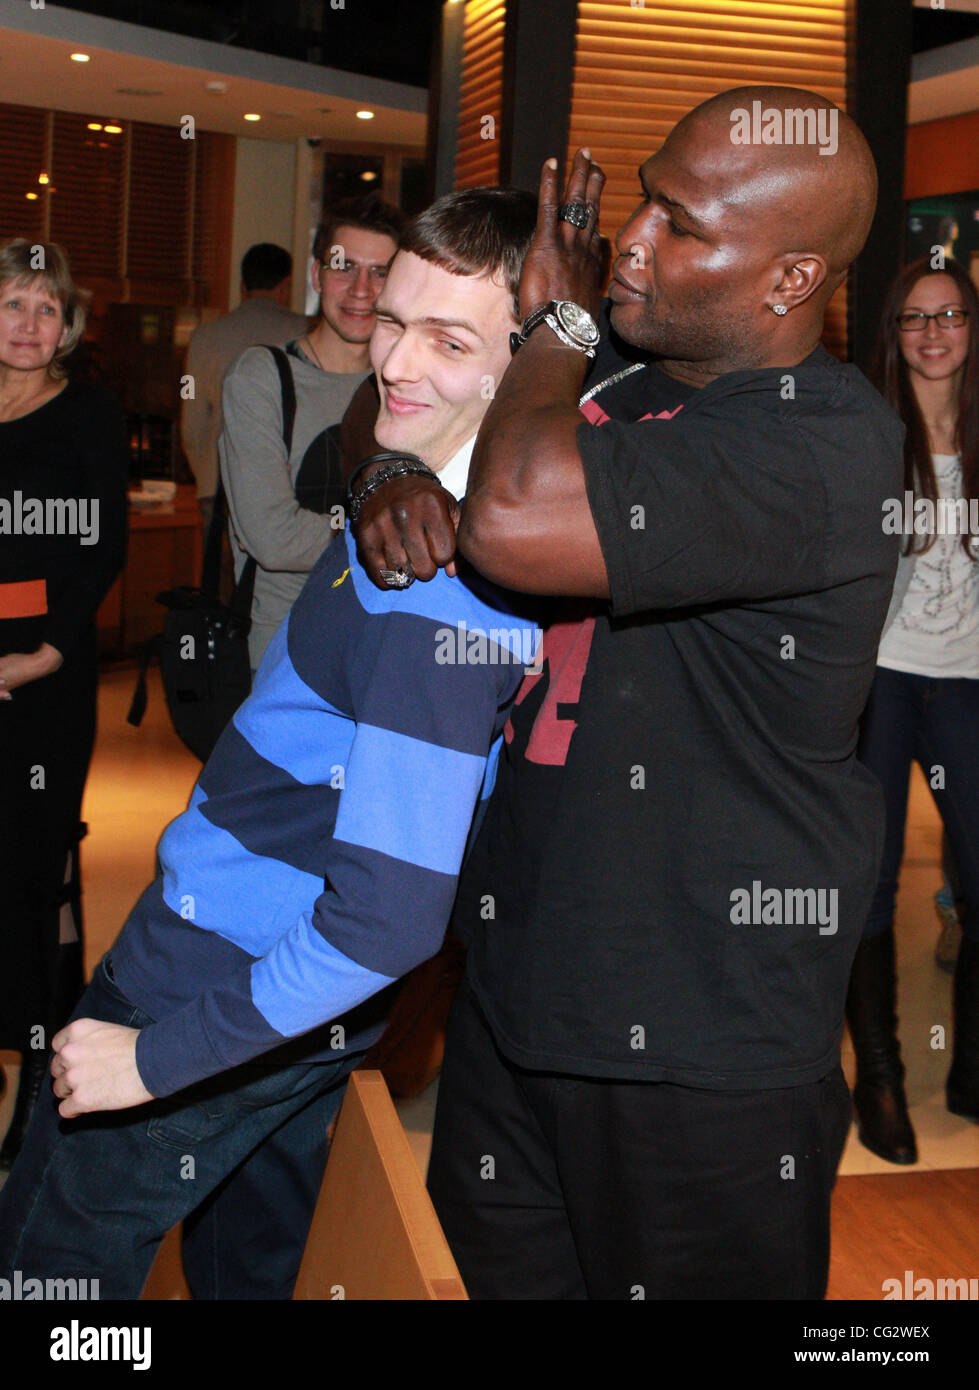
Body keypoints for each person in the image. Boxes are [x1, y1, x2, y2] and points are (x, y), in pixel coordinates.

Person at [353, 86, 905, 1299]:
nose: (632, 242)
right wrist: (389, 469)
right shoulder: (626, 372)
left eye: (684, 225)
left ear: (790, 278)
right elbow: (393, 399)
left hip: (700, 1043)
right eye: (646, 198)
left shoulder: (822, 443)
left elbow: (508, 517)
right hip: (519, 1001)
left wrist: (551, 317)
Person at [0, 189, 541, 1301]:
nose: (395, 360)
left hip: (218, 983)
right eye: (391, 319)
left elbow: (389, 920)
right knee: (253, 1262)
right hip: (285, 1003)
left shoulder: (434, 597)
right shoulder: (418, 496)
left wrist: (151, 1057)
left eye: (450, 339)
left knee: (52, 1277)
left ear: (516, 369)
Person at [845, 255, 979, 1165]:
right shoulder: (864, 433)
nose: (932, 335)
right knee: (871, 883)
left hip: (967, 680)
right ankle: (881, 1078)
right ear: (891, 336)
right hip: (879, 679)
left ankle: (970, 1070)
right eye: (913, 320)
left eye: (950, 317)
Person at [0, 239, 128, 1170]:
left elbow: (100, 545)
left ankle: (32, 1061)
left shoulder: (88, 412)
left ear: (68, 327)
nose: (30, 324)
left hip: (43, 673)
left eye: (47, 309)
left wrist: (46, 650)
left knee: (29, 862)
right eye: (13, 304)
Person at [221, 195, 404, 672]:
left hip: (387, 641)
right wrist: (398, 536)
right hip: (288, 649)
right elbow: (273, 537)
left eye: (381, 272)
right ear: (315, 274)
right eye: (344, 266)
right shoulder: (262, 377)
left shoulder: (409, 386)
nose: (361, 289)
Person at [180, 243, 308, 534]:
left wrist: (204, 477)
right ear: (285, 286)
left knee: (222, 576)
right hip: (288, 489)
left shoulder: (204, 337)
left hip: (219, 483)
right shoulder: (305, 334)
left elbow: (191, 421)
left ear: (242, 285)